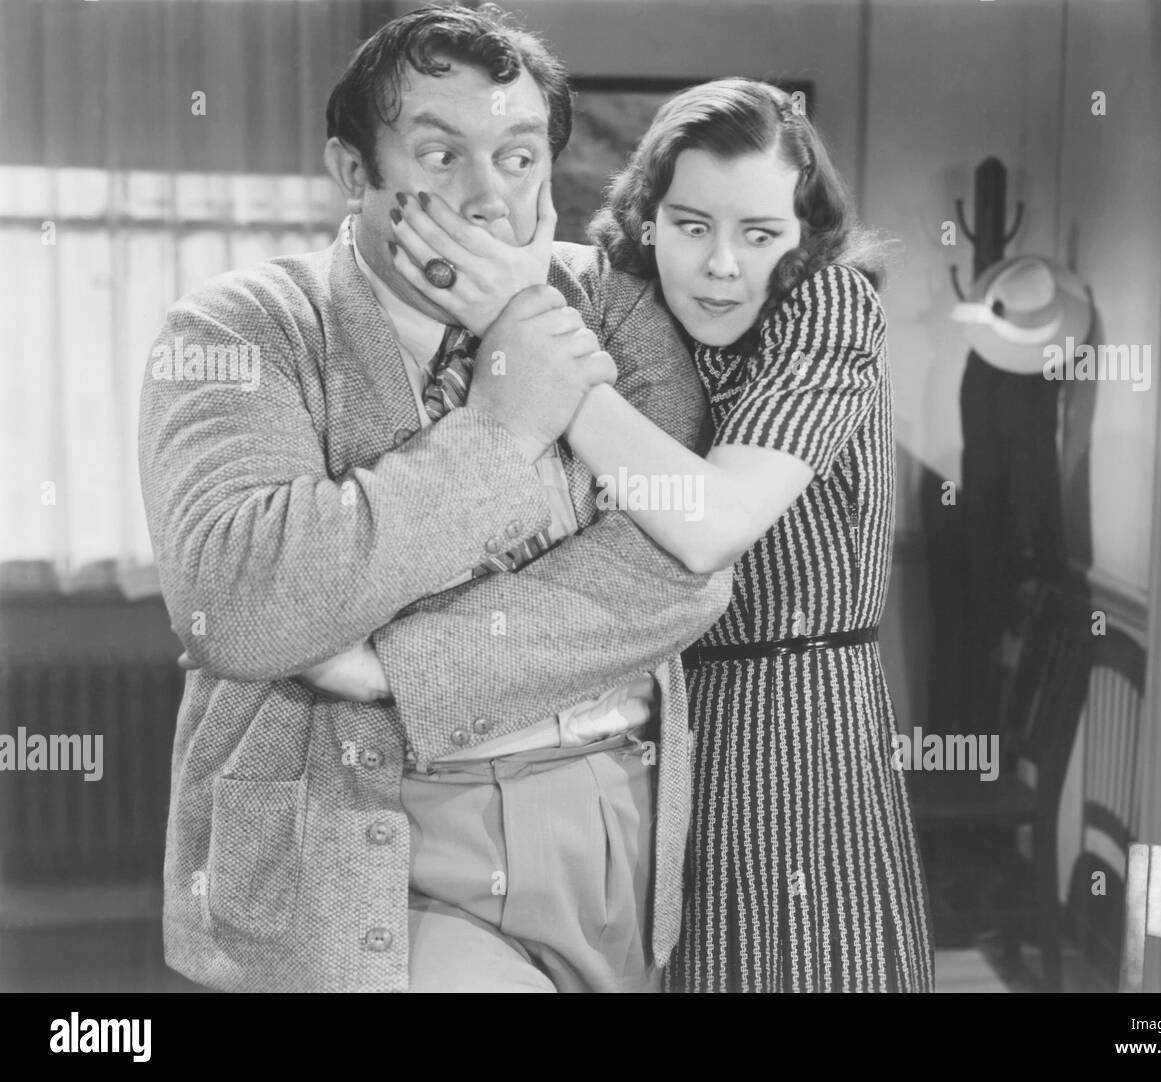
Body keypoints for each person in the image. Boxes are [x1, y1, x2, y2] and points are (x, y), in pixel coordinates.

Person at [138, 2, 731, 993]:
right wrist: (500, 422)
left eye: (518, 156)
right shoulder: (242, 326)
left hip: (613, 812)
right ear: (352, 172)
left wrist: (393, 667)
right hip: (367, 828)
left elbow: (687, 569)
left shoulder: (617, 306)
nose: (487, 198)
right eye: (440, 153)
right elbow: (237, 603)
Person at [395, 76, 935, 991]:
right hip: (672, 729)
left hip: (804, 722)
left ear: (804, 236)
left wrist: (532, 344)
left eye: (760, 234)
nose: (723, 265)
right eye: (692, 226)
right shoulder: (635, 311)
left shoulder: (828, 308)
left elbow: (709, 525)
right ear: (648, 223)